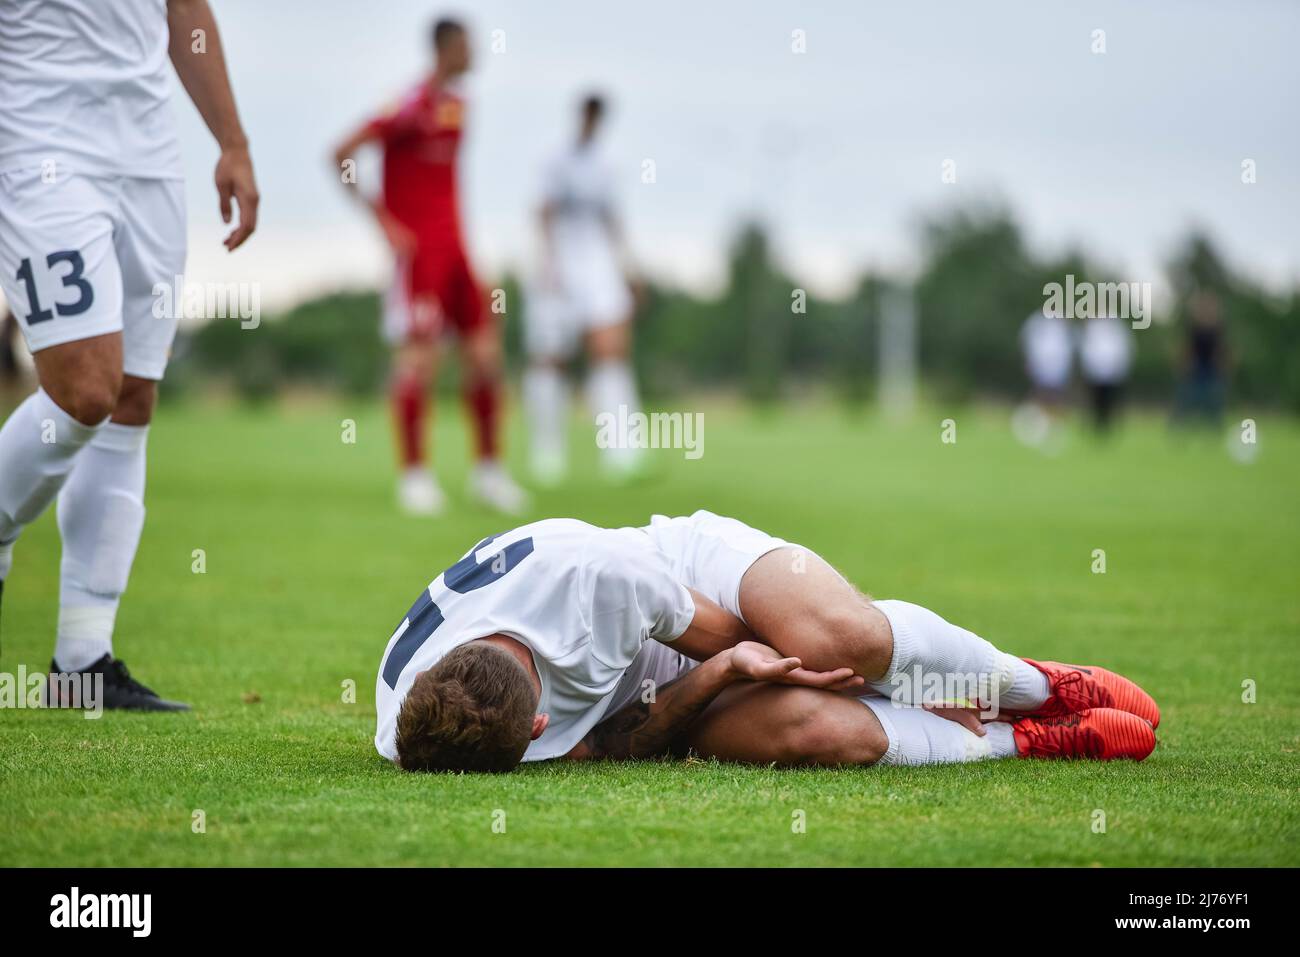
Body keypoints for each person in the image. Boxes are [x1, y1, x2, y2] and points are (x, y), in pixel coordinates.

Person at [375, 511, 1159, 772]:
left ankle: (1029, 685)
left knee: (832, 638)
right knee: (814, 731)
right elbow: (615, 742)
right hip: (648, 670)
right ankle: (1020, 744)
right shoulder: (415, 725)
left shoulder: (599, 579)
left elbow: (758, 644)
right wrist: (714, 680)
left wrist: (912, 688)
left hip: (683, 578)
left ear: (541, 723)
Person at [0, 0, 259, 709]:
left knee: (132, 397)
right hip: (38, 141)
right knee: (86, 389)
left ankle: (81, 661)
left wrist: (231, 140)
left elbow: (184, 9)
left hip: (148, 153)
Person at [331, 17, 526, 516]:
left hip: (458, 248)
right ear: (445, 49)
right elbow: (342, 154)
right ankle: (414, 476)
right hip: (419, 256)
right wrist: (383, 221)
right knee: (420, 359)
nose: (475, 55)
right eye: (467, 47)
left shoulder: (460, 106)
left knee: (485, 357)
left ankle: (488, 471)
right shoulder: (406, 107)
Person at [523, 94, 643, 485]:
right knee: (550, 358)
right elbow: (542, 212)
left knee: (610, 352)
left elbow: (613, 218)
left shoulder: (608, 164)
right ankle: (548, 453)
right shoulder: (554, 159)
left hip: (598, 266)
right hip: (558, 266)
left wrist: (627, 267)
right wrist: (548, 266)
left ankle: (622, 451)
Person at [1013, 308, 1072, 448]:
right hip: (1041, 366)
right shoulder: (1038, 321)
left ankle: (1053, 429)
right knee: (1040, 398)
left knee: (1056, 400)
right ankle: (1035, 426)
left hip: (1058, 369)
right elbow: (1027, 338)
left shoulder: (1063, 325)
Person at [1172, 289, 1228, 428]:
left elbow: (1221, 348)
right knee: (1186, 398)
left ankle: (1214, 427)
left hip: (1211, 368)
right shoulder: (1193, 327)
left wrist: (1223, 365)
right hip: (1196, 367)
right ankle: (1179, 426)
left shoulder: (1218, 327)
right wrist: (1183, 364)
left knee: (1214, 400)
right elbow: (1187, 347)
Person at [1078, 312, 1134, 434]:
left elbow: (1123, 348)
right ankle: (1096, 426)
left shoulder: (1116, 327)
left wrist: (1120, 367)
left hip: (1112, 373)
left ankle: (1108, 426)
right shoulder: (1092, 328)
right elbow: (1087, 349)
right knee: (1096, 401)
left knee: (1110, 402)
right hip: (1095, 372)